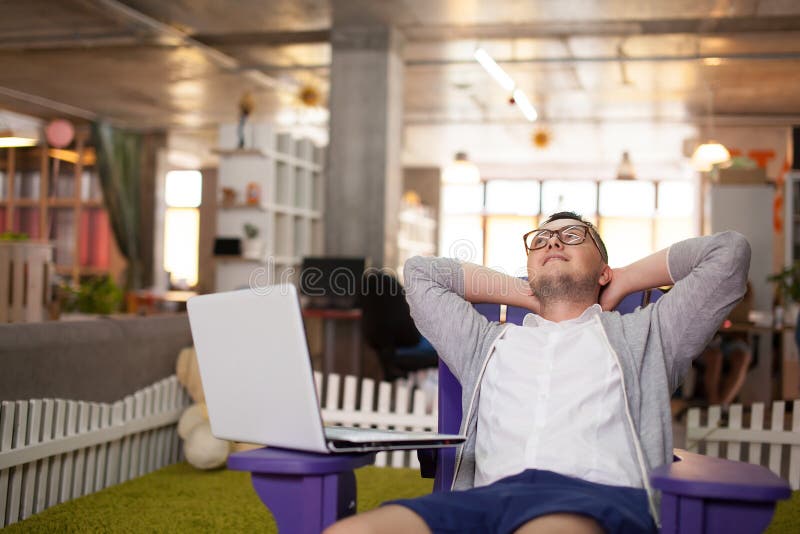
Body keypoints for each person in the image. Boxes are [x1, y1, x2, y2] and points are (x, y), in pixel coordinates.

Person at [324, 211, 751, 534]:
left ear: (603, 269)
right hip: (486, 501)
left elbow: (729, 254)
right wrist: (524, 291)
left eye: (572, 235)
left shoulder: (649, 336)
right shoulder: (483, 343)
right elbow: (421, 274)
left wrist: (624, 279)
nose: (553, 241)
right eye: (540, 240)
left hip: (592, 500)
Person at [700, 282, 754, 408]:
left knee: (743, 357)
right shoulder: (706, 285)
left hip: (733, 339)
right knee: (716, 357)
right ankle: (714, 404)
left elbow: (745, 313)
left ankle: (722, 405)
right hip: (709, 340)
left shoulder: (746, 287)